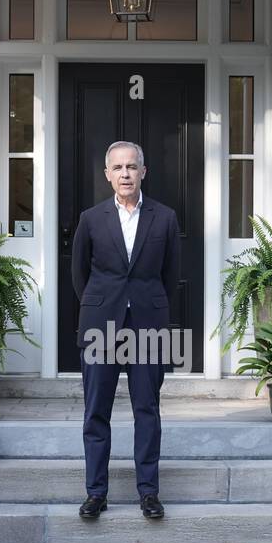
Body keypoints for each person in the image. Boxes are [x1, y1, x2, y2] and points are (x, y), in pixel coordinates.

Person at [70, 140, 181, 520]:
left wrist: (147, 306)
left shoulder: (165, 218)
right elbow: (79, 274)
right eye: (118, 168)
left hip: (148, 326)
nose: (125, 173)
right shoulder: (91, 218)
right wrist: (102, 306)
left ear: (143, 172)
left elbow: (172, 275)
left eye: (132, 166)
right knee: (96, 411)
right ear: (107, 175)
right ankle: (95, 493)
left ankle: (148, 492)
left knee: (147, 409)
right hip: (100, 326)